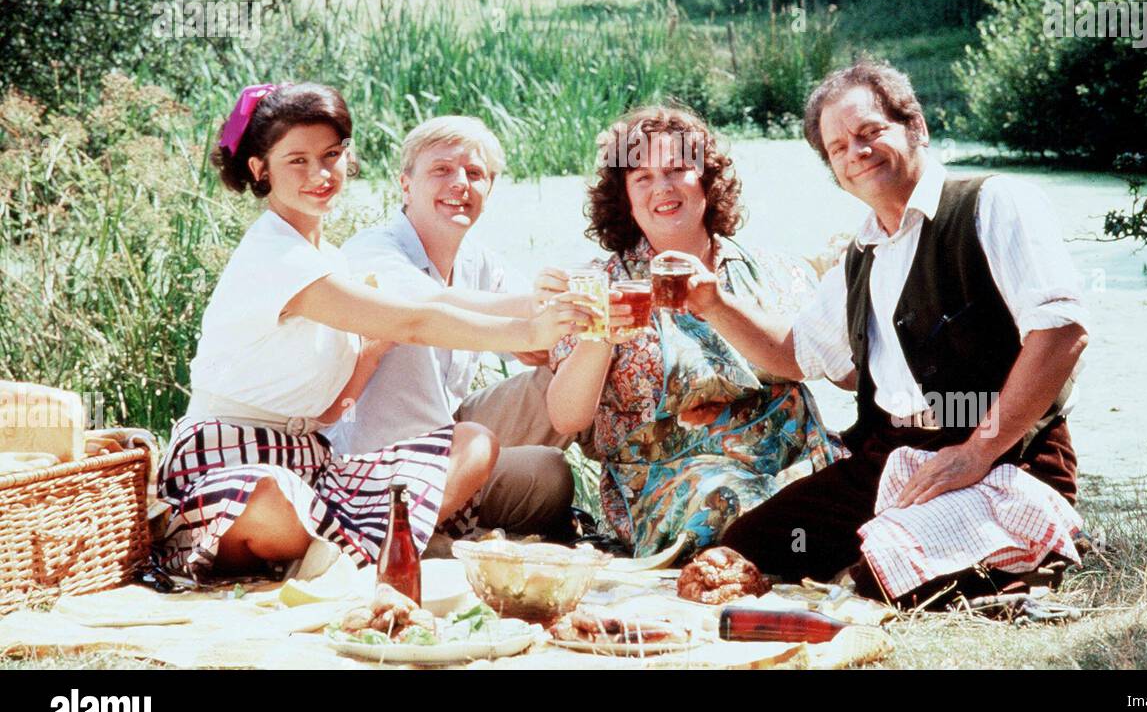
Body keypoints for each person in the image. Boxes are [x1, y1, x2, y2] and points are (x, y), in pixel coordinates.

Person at [668, 59, 1089, 600]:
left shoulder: (992, 202)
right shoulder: (861, 252)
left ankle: (1020, 562)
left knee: (884, 576)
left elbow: (1061, 332)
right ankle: (920, 560)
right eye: (838, 149)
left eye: (870, 133)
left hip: (1006, 455)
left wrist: (976, 451)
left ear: (916, 128)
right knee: (748, 547)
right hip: (889, 456)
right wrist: (712, 301)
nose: (856, 154)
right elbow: (796, 354)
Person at [156, 83, 589, 580]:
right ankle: (365, 550)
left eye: (332, 155)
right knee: (268, 495)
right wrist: (530, 327)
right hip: (232, 455)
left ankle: (352, 551)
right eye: (297, 160)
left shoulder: (329, 258)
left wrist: (548, 307)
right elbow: (417, 316)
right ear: (261, 169)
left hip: (313, 461)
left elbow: (330, 407)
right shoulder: (274, 255)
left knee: (472, 441)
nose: (321, 175)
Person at [542, 105, 841, 559]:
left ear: (706, 178)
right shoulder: (599, 285)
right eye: (642, 177)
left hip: (794, 459)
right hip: (676, 479)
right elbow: (566, 418)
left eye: (677, 169)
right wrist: (599, 336)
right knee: (745, 508)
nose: (662, 187)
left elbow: (821, 363)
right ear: (624, 197)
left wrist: (718, 304)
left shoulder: (772, 271)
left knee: (864, 495)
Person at [330, 116, 576, 541]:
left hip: (447, 434)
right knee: (520, 465)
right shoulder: (372, 250)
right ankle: (400, 536)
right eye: (441, 170)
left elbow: (537, 335)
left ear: (490, 189)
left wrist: (577, 317)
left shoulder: (479, 261)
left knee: (554, 458)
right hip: (373, 456)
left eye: (475, 174)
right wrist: (531, 316)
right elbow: (426, 308)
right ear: (405, 185)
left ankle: (635, 489)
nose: (460, 183)